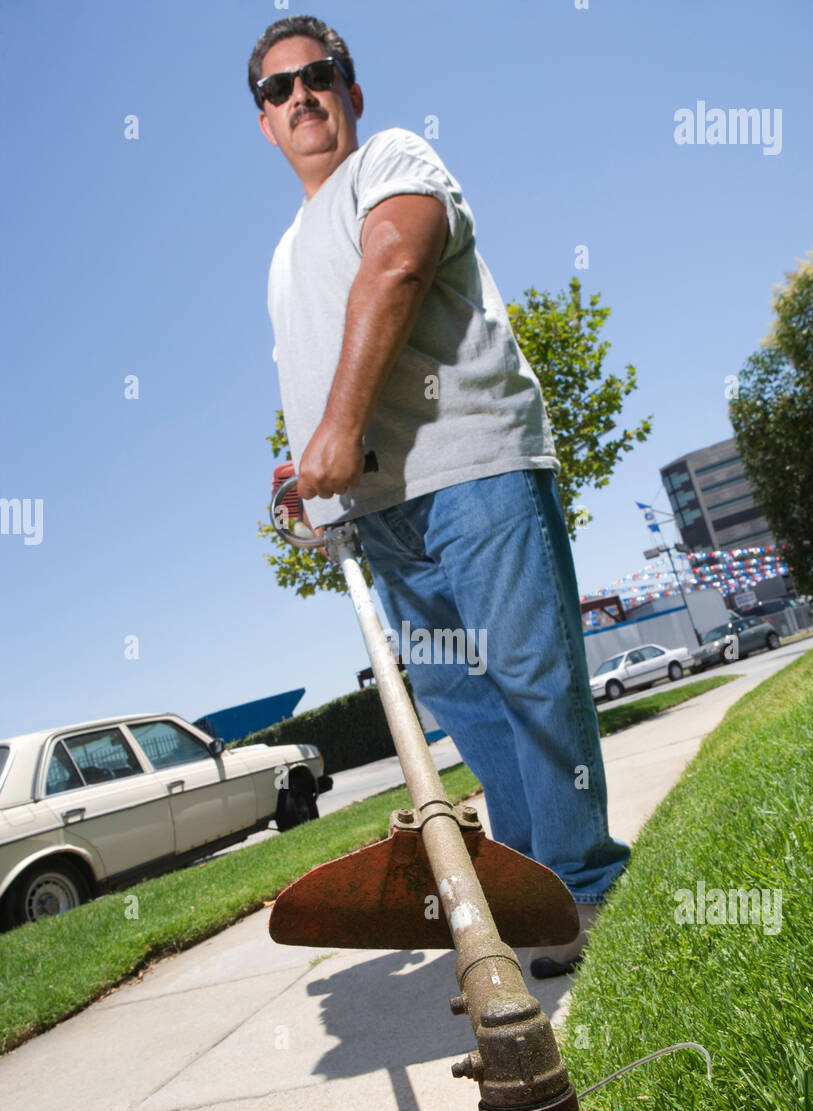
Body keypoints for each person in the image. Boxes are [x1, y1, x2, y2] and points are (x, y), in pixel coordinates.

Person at [249, 15, 630, 976]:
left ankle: (587, 885)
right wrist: (308, 469)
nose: (300, 95)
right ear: (263, 121)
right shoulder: (284, 253)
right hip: (382, 516)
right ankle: (534, 889)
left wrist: (337, 429)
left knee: (531, 676)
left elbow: (400, 263)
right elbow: (317, 373)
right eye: (277, 88)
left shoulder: (393, 156)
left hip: (475, 470)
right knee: (470, 705)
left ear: (352, 89)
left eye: (318, 74)